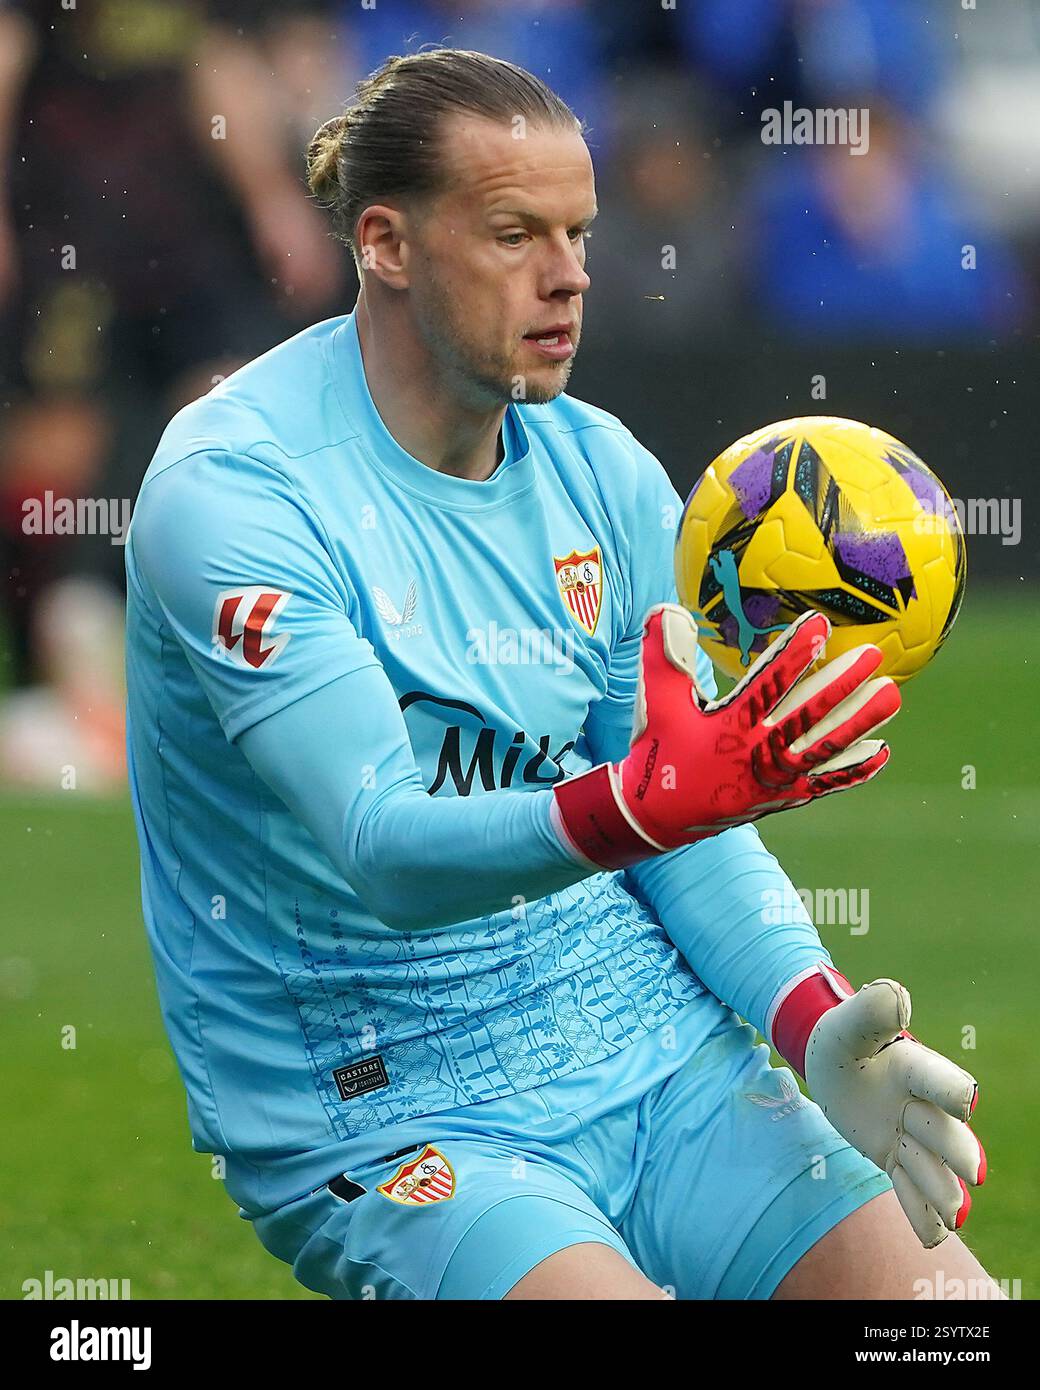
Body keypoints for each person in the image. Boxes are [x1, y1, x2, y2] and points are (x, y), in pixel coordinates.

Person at [124, 49, 993, 1301]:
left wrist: (811, 1023)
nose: (571, 273)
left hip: (646, 1045)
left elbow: (680, 825)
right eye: (515, 232)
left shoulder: (604, 473)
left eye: (578, 233)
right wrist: (632, 804)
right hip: (386, 1099)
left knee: (947, 1323)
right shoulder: (238, 489)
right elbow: (380, 842)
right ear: (386, 244)